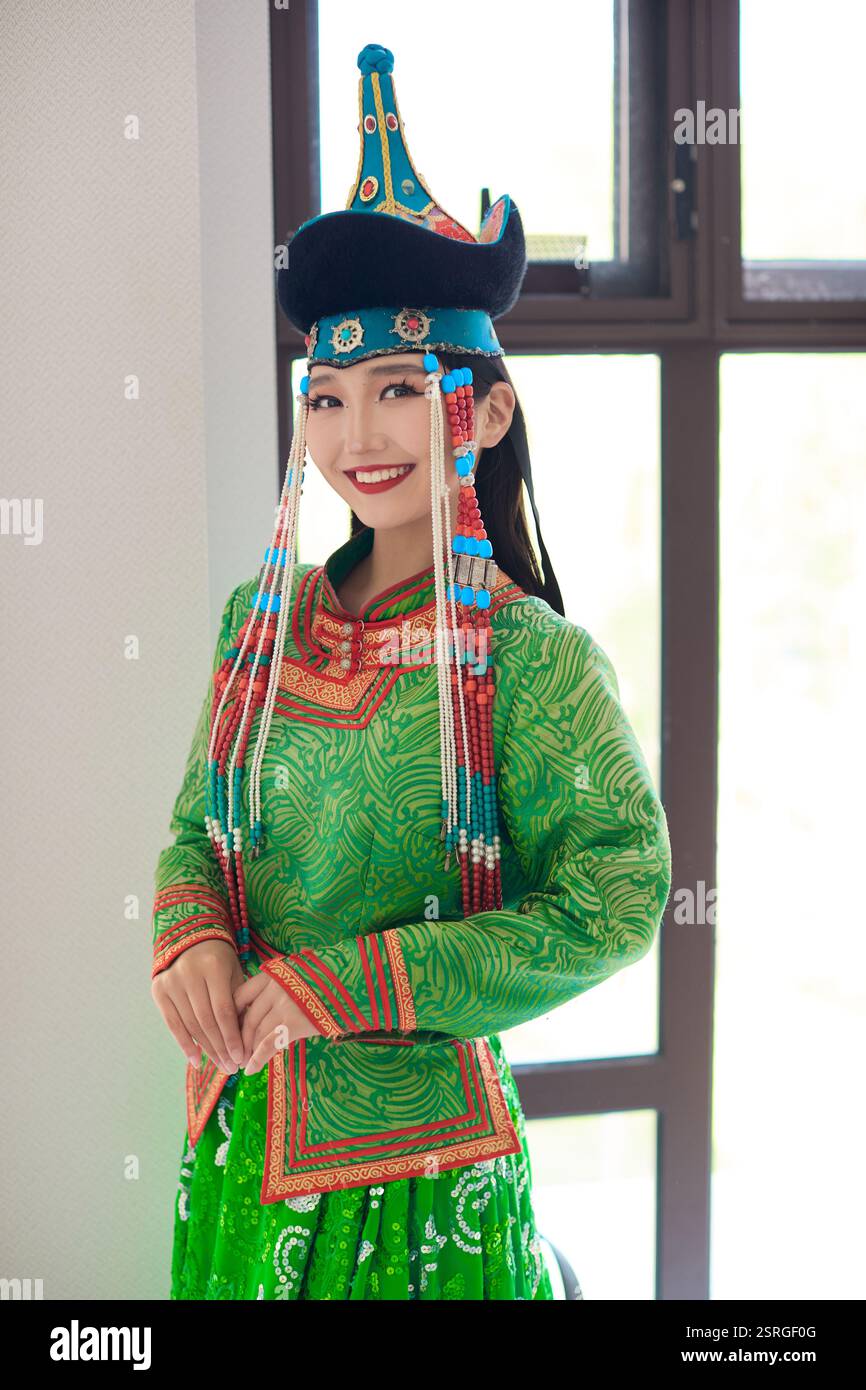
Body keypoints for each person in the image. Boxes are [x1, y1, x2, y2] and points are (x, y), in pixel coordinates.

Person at [150, 41, 672, 1301]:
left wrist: (360, 982)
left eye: (399, 389)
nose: (356, 437)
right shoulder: (256, 627)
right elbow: (194, 831)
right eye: (325, 399)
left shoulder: (531, 663)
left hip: (422, 1185)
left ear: (483, 411)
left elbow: (617, 898)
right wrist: (190, 940)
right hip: (238, 1138)